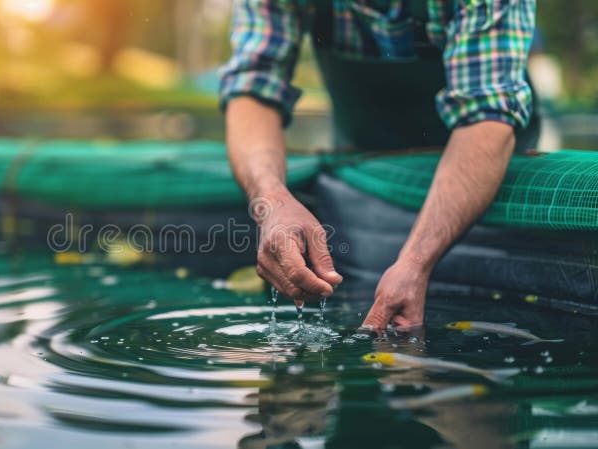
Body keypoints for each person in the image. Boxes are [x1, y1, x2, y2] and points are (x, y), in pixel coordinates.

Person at [220, 0, 538, 329]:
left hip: (482, 183)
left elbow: (486, 119)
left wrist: (416, 262)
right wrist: (273, 201)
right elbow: (252, 88)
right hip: (363, 171)